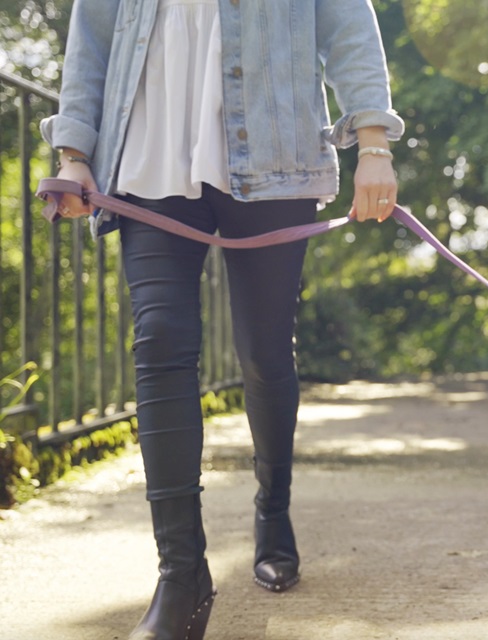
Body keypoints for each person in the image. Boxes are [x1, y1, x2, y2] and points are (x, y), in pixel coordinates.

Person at [41, 1, 403, 638]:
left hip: (274, 153)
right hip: (145, 157)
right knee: (158, 342)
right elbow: (91, 37)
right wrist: (74, 151)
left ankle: (274, 511)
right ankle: (181, 576)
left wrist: (373, 142)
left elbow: (348, 24)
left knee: (264, 353)